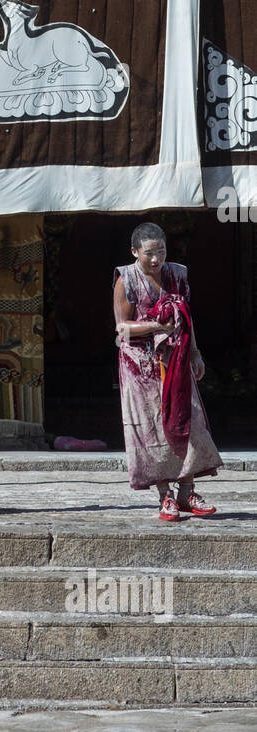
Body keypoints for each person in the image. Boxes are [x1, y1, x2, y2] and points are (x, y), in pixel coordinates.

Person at [114, 222, 222, 521]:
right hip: (140, 364)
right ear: (134, 251)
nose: (155, 259)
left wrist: (196, 354)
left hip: (177, 357)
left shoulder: (177, 274)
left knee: (189, 421)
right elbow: (122, 328)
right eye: (148, 253)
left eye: (160, 251)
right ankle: (166, 497)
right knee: (154, 429)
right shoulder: (127, 278)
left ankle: (188, 492)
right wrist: (157, 327)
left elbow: (186, 318)